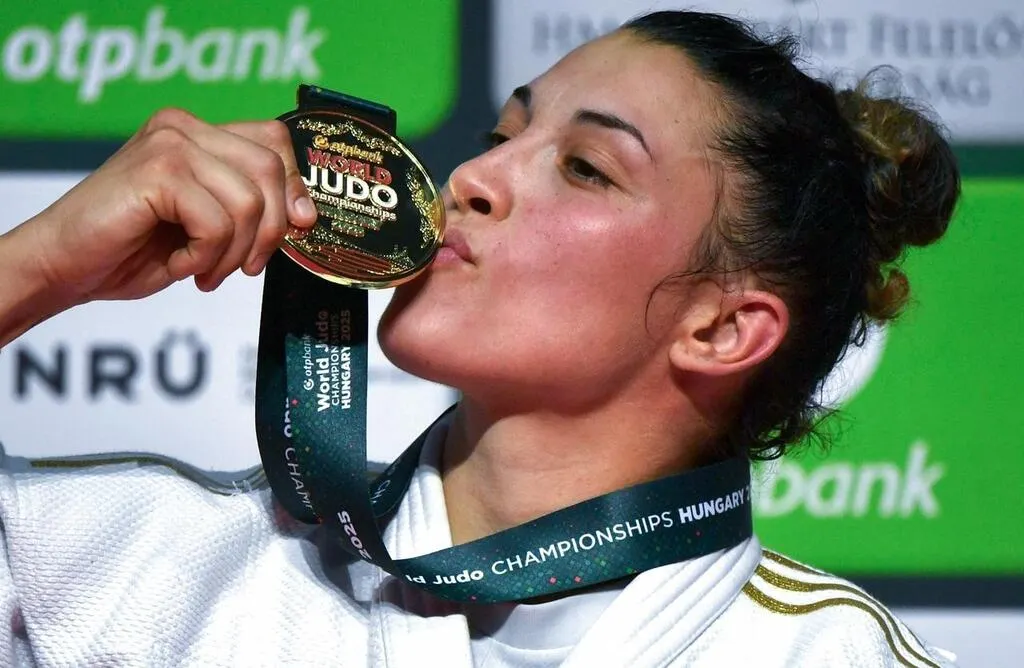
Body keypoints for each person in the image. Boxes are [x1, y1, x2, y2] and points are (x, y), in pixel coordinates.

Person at [0, 10, 960, 668]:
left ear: (723, 327)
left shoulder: (831, 656)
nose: (472, 175)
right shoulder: (150, 568)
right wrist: (37, 266)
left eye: (586, 169)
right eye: (505, 134)